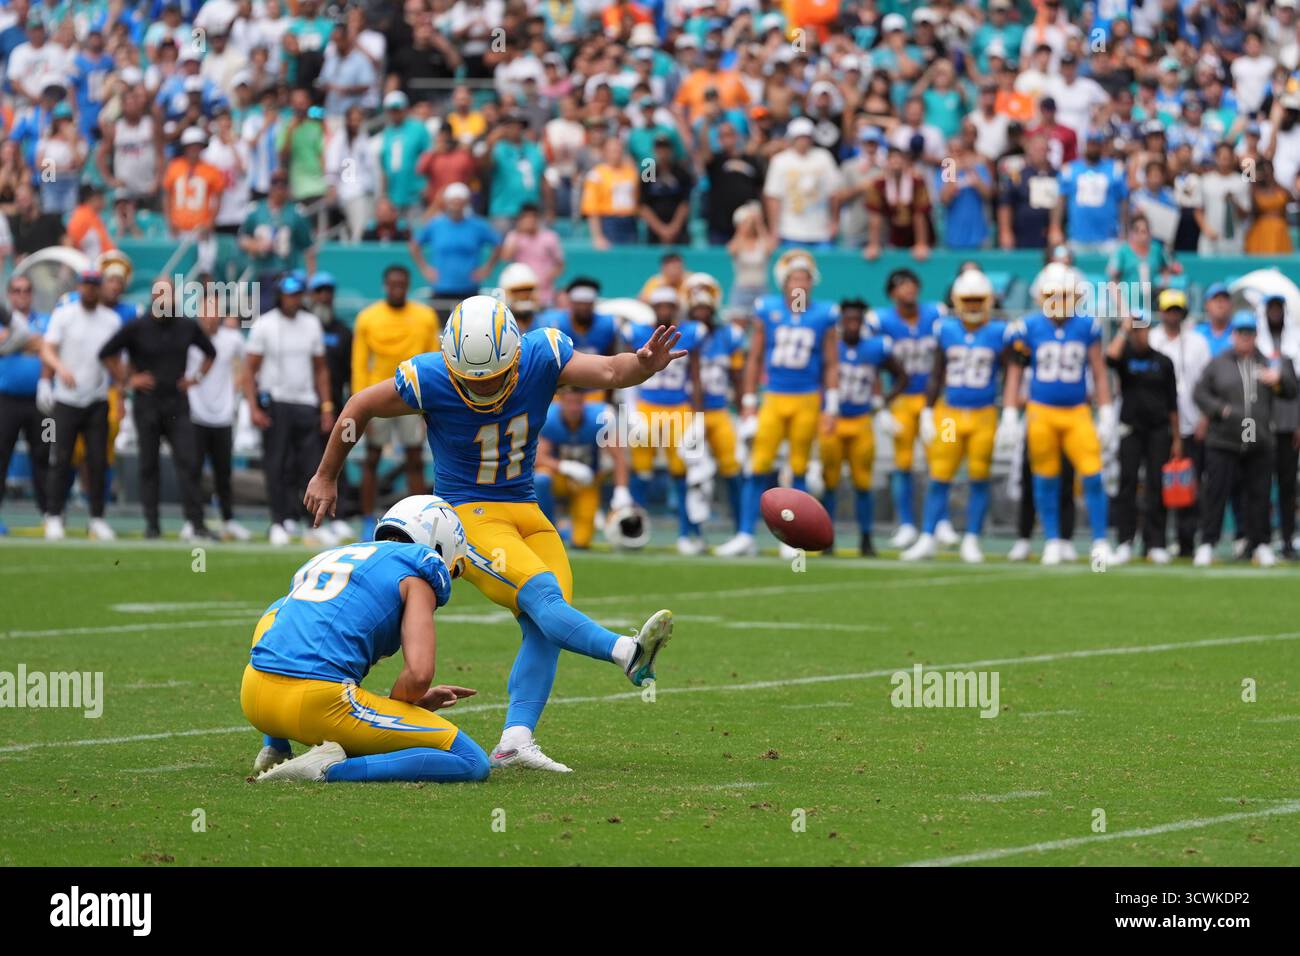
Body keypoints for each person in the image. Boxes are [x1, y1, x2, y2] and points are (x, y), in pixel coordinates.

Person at [304, 294, 683, 772]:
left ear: (516, 356)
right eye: (470, 380)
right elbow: (360, 405)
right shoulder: (433, 375)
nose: (482, 390)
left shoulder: (542, 354)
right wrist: (327, 474)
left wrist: (643, 365)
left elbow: (611, 371)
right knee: (544, 596)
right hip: (469, 516)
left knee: (548, 621)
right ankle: (627, 653)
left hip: (527, 508)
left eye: (497, 378)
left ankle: (515, 741)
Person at [244, 495, 491, 784]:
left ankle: (275, 746)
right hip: (318, 704)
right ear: (440, 547)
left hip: (254, 697)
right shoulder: (417, 572)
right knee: (471, 761)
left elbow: (274, 622)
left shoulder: (332, 556)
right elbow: (419, 674)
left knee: (283, 617)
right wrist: (406, 706)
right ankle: (327, 770)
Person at [716, 251, 839, 558]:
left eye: (804, 278)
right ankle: (746, 533)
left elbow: (831, 363)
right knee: (757, 465)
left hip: (807, 397)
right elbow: (754, 357)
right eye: (794, 278)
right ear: (784, 282)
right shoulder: (768, 309)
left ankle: (793, 540)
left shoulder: (824, 314)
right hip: (773, 395)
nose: (799, 284)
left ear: (812, 282)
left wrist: (831, 405)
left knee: (799, 467)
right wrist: (747, 400)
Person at [1003, 262, 1118, 566]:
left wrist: (1105, 411)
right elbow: (1014, 373)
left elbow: (1099, 371)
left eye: (1065, 295)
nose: (1059, 302)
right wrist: (1010, 414)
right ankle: (1052, 539)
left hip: (1076, 411)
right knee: (1045, 479)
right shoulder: (1027, 327)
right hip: (1040, 411)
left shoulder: (1086, 326)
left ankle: (1100, 542)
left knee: (1093, 474)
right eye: (1053, 295)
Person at [903, 269, 1019, 564]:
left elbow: (1013, 373)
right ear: (956, 299)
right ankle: (928, 536)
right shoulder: (946, 329)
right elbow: (936, 374)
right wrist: (928, 410)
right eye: (967, 300)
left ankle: (971, 539)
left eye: (977, 299)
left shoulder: (998, 332)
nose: (972, 306)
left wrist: (1009, 412)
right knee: (940, 475)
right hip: (951, 415)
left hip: (982, 415)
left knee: (979, 477)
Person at [98, 280, 216, 540]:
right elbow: (106, 353)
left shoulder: (186, 325)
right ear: (153, 297)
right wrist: (128, 381)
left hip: (177, 402)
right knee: (148, 464)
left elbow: (211, 353)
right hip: (147, 403)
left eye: (169, 293)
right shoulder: (137, 327)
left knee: (189, 461)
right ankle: (152, 525)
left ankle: (196, 523)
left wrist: (195, 378)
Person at [1193, 311, 1298, 567]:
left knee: (1259, 495)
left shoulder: (1270, 361)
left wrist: (1279, 380)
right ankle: (1208, 543)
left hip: (1258, 439)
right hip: (1224, 439)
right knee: (1216, 493)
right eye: (1241, 333)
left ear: (1255, 335)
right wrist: (1221, 410)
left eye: (1250, 333)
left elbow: (1292, 390)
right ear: (1234, 335)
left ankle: (1260, 543)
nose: (1245, 338)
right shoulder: (1219, 363)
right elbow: (1200, 393)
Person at [242, 274, 334, 546]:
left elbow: (320, 370)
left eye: (297, 294)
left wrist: (326, 407)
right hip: (277, 403)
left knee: (310, 466)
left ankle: (313, 524)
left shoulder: (311, 324)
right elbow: (249, 370)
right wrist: (253, 407)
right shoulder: (264, 325)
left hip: (305, 403)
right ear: (280, 295)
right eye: (289, 294)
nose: (293, 299)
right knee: (276, 465)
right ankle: (278, 522)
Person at [351, 264, 439, 540]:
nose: (397, 289)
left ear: (408, 285)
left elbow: (434, 359)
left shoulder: (425, 316)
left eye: (402, 284)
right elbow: (359, 364)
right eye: (393, 284)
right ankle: (368, 519)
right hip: (378, 398)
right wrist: (360, 407)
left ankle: (416, 522)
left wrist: (431, 406)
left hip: (413, 399)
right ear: (385, 285)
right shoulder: (368, 318)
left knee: (414, 459)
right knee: (372, 458)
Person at [37, 271, 123, 541]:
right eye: (87, 285)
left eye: (95, 286)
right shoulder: (65, 315)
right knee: (60, 458)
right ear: (79, 286)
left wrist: (120, 392)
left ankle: (97, 518)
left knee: (98, 461)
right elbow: (47, 349)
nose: (90, 290)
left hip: (96, 399)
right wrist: (55, 372)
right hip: (66, 400)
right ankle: (53, 515)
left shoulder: (110, 320)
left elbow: (115, 359)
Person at [822, 298, 908, 557]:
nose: (852, 325)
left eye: (856, 320)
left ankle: (866, 538)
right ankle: (827, 539)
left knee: (863, 483)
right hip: (833, 422)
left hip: (861, 420)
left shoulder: (875, 348)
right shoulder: (831, 347)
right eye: (848, 320)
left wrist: (882, 403)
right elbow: (816, 377)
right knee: (829, 483)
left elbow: (902, 376)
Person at [873, 267, 949, 550]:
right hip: (902, 400)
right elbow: (870, 362)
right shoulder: (879, 321)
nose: (909, 289)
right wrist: (880, 405)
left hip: (935, 401)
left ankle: (940, 521)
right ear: (892, 293)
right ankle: (906, 523)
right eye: (902, 285)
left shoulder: (936, 314)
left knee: (943, 458)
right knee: (902, 463)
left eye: (912, 284)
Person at [625, 286, 700, 552]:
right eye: (661, 306)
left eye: (670, 305)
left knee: (683, 472)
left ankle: (686, 534)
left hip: (678, 407)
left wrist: (697, 415)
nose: (665, 310)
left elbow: (695, 375)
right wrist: (630, 409)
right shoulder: (637, 332)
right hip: (647, 405)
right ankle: (633, 532)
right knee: (641, 471)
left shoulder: (689, 333)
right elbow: (627, 369)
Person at [1105, 310, 1181, 564]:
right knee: (1127, 484)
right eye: (1136, 328)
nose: (1140, 333)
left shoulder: (1163, 361)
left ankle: (1155, 543)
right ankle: (1125, 541)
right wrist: (1124, 330)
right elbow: (1109, 358)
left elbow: (1173, 403)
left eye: (1143, 328)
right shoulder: (1124, 358)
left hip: (1158, 431)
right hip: (1131, 430)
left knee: (1156, 485)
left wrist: (1177, 438)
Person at [1149, 288, 1213, 557]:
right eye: (1168, 310)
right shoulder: (1152, 339)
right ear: (1161, 312)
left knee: (1190, 485)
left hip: (1190, 422)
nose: (1172, 315)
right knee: (1155, 484)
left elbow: (1209, 384)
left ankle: (1187, 543)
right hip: (1158, 424)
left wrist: (1204, 419)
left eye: (1177, 310)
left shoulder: (1197, 342)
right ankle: (1155, 542)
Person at [186, 293, 251, 541]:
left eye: (215, 309)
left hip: (223, 416)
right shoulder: (189, 336)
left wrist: (235, 388)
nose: (211, 315)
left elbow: (247, 366)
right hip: (194, 413)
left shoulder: (232, 338)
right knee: (192, 470)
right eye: (206, 309)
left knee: (223, 472)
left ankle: (228, 520)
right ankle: (193, 522)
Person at [534, 385, 631, 550]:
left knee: (581, 542)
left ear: (584, 402)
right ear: (561, 402)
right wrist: (565, 466)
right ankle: (547, 529)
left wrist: (622, 490)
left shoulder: (599, 418)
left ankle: (564, 530)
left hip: (587, 482)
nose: (573, 408)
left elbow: (619, 457)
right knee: (541, 479)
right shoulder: (550, 418)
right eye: (569, 402)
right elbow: (538, 458)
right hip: (560, 477)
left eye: (577, 402)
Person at [0, 275, 50, 533]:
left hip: (40, 402)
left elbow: (45, 345)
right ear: (10, 295)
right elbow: (33, 343)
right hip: (5, 400)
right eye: (17, 290)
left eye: (27, 290)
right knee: (1, 456)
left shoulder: (45, 320)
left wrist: (13, 343)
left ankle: (50, 515)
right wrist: (25, 342)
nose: (22, 295)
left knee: (44, 456)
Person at [409, 182, 500, 313]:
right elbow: (415, 245)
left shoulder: (477, 226)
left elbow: (497, 244)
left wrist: (487, 268)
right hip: (441, 288)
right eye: (453, 201)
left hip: (469, 288)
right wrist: (425, 268)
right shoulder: (436, 225)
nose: (456, 205)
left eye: (459, 201)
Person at [1257, 295, 1300, 559]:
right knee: (1258, 485)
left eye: (1278, 308)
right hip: (1261, 426)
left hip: (1288, 425)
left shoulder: (1294, 345)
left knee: (1287, 486)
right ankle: (1259, 540)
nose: (1275, 313)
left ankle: (1286, 538)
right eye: (1270, 308)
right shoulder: (1258, 344)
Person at [162, 127, 225, 275]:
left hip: (201, 229)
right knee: (174, 270)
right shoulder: (174, 167)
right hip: (178, 229)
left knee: (205, 270)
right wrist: (169, 221)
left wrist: (210, 224)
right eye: (190, 146)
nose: (193, 150)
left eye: (197, 146)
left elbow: (218, 199)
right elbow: (167, 196)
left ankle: (206, 298)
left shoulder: (211, 170)